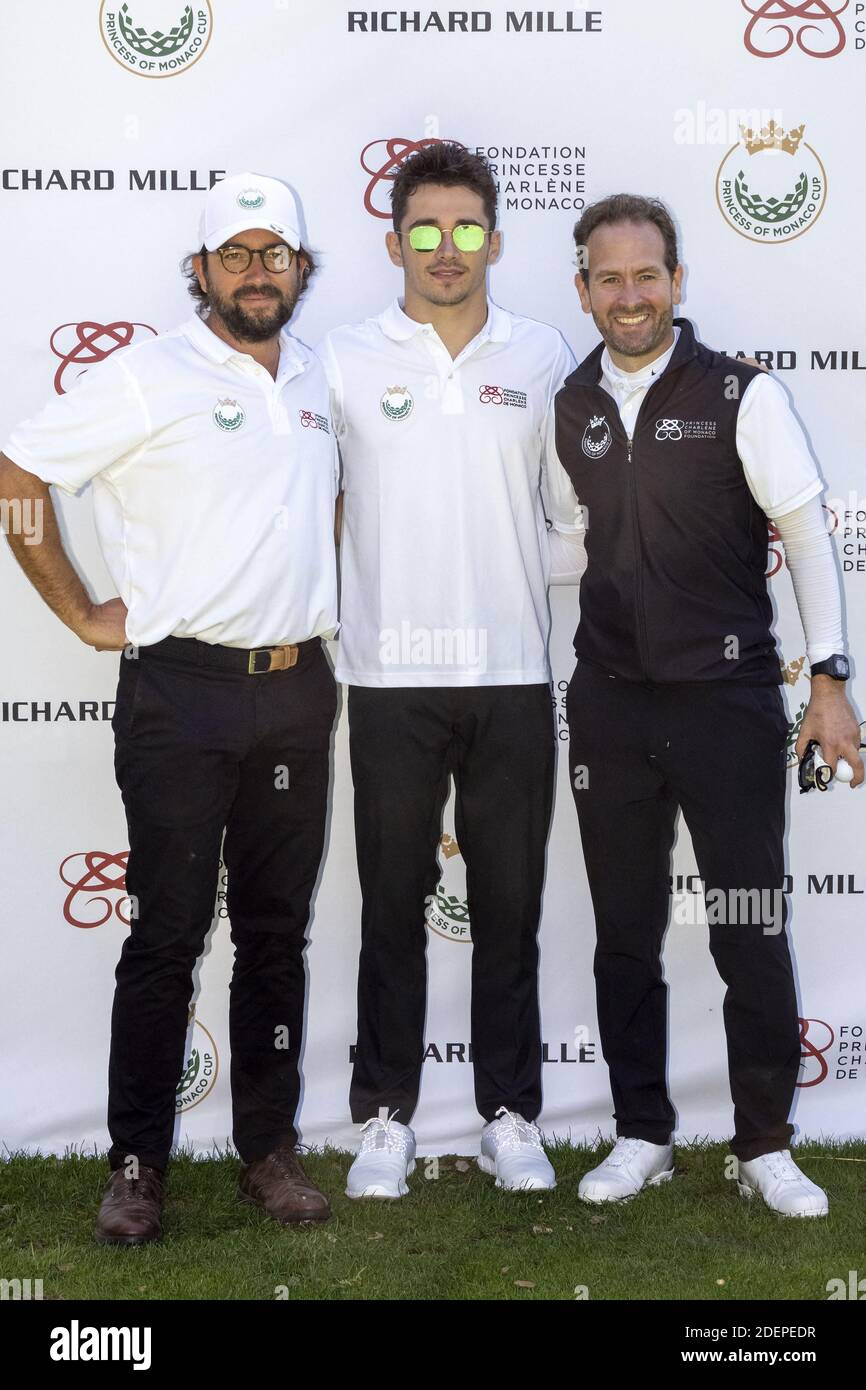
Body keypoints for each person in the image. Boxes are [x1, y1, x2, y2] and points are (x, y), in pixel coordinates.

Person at [0, 171, 341, 1242]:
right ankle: (138, 1160)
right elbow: (17, 472)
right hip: (178, 692)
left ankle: (268, 1151)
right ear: (199, 272)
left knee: (277, 935)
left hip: (296, 689)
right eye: (234, 255)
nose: (255, 272)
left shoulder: (321, 376)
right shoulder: (147, 375)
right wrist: (78, 613)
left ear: (299, 269)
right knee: (168, 935)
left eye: (272, 253)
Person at [555, 193, 862, 1216]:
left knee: (745, 923)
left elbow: (805, 532)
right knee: (623, 930)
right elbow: (570, 541)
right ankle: (639, 1132)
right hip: (607, 703)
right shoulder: (570, 405)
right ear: (583, 289)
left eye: (646, 275)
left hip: (726, 701)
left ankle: (763, 1143)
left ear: (675, 283)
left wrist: (829, 679)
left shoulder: (740, 393)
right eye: (608, 278)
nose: (628, 295)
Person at [318, 142, 585, 1199]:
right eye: (423, 229)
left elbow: (572, 515)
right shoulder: (342, 357)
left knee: (509, 907)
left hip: (514, 671)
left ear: (494, 240)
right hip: (386, 678)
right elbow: (313, 505)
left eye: (464, 228)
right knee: (390, 904)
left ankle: (509, 1113)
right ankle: (383, 1114)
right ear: (392, 242)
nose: (444, 248)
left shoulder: (540, 353)